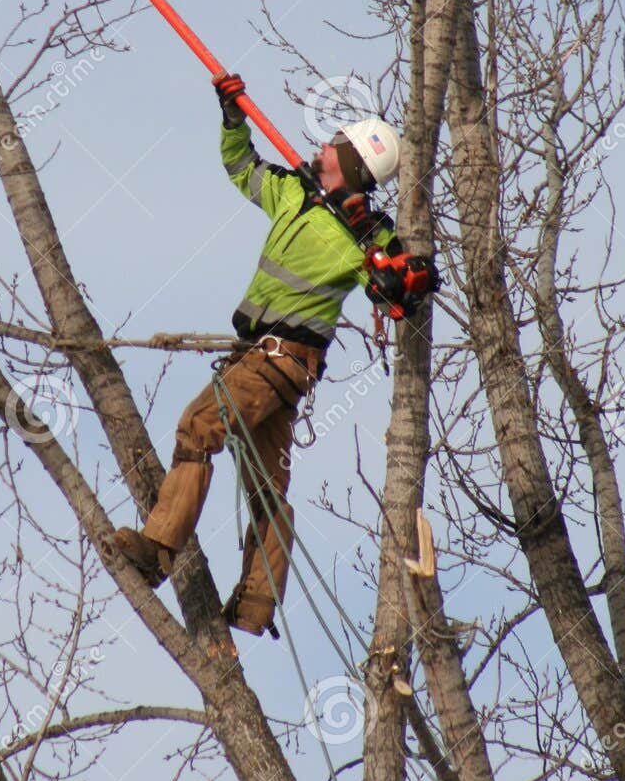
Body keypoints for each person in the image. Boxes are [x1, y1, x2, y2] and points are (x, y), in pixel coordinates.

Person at [114, 74, 436, 638]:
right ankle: (257, 601)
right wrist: (233, 121)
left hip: (280, 359)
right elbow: (241, 168)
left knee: (199, 426)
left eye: (333, 145)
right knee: (266, 484)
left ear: (351, 165)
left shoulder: (367, 235)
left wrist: (400, 274)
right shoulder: (293, 192)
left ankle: (157, 548)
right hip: (260, 359)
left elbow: (404, 286)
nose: (320, 147)